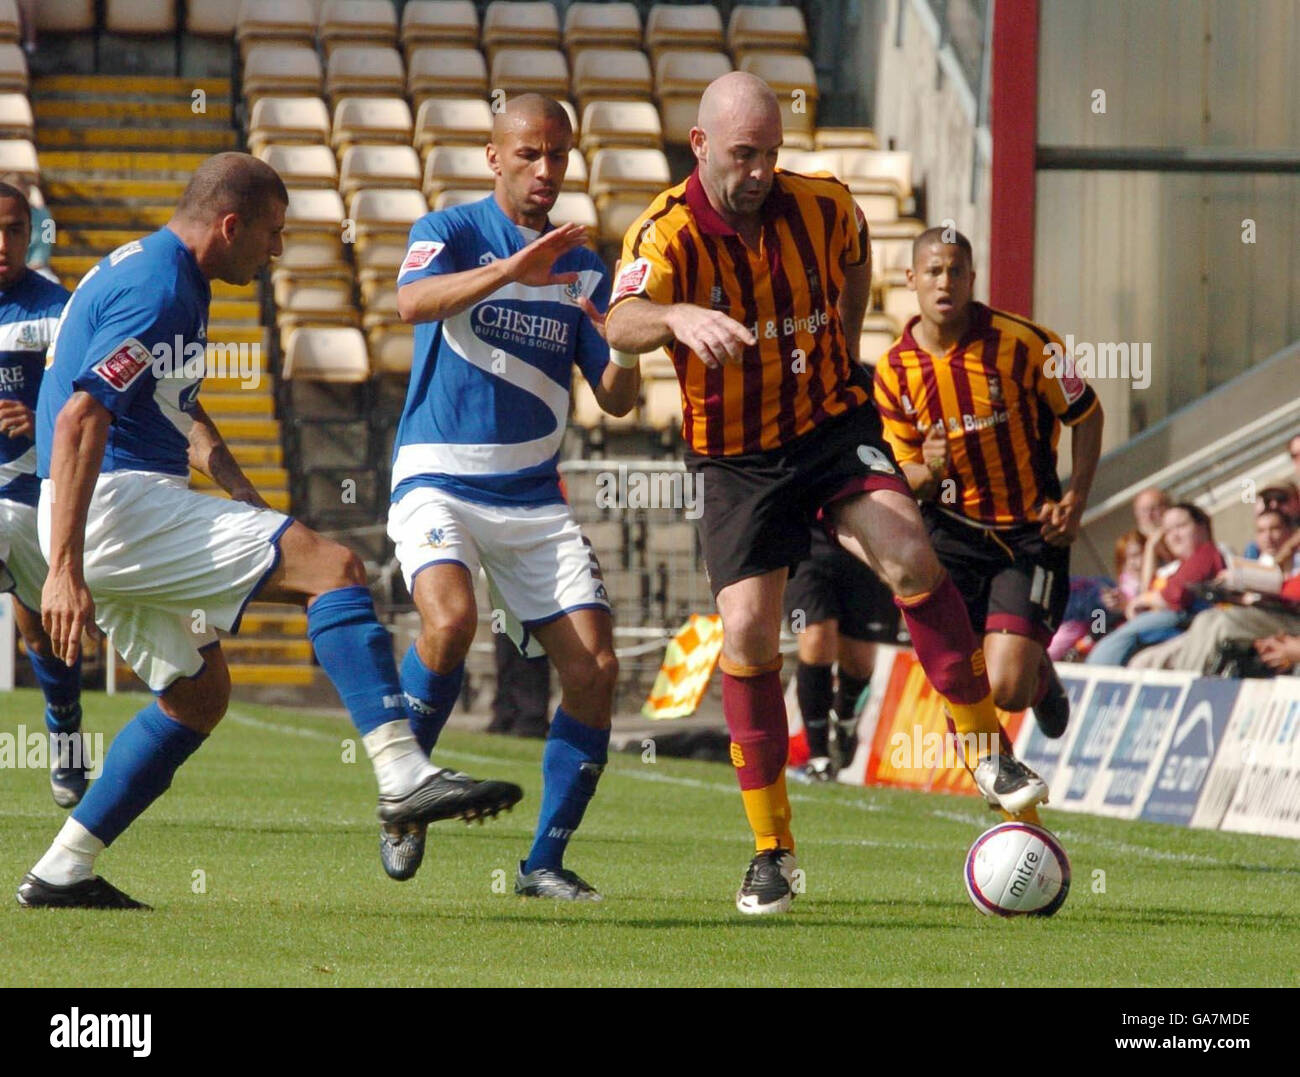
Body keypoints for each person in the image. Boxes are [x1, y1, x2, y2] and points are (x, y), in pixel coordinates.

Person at [17, 153, 521, 910]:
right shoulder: (156, 288)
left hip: (109, 510)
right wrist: (62, 567)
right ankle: (401, 774)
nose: (277, 251)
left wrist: (239, 489)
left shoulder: (167, 274)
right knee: (335, 567)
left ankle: (62, 867)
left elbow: (166, 403)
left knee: (199, 696)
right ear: (230, 225)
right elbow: (79, 416)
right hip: (115, 507)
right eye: (272, 234)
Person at [605, 71, 1048, 916]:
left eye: (772, 152)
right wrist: (676, 319)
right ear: (700, 147)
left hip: (828, 429)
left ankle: (988, 752)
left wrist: (843, 351)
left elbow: (854, 259)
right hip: (735, 458)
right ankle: (772, 848)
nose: (761, 170)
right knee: (745, 631)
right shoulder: (662, 234)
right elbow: (619, 321)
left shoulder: (824, 205)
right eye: (744, 153)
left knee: (913, 555)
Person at [390, 94, 639, 901]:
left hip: (532, 496)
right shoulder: (448, 229)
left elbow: (614, 395)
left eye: (558, 155)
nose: (545, 170)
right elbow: (412, 304)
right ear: (494, 157)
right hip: (436, 474)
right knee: (452, 620)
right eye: (529, 154)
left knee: (596, 669)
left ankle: (544, 862)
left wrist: (639, 345)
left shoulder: (588, 265)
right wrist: (512, 269)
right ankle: (406, 797)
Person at [873, 227, 1104, 738]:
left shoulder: (1027, 344)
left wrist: (1076, 498)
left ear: (973, 277)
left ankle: (1039, 681)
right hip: (951, 534)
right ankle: (993, 775)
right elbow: (902, 478)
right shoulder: (893, 370)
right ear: (911, 278)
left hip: (1027, 534)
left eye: (957, 270)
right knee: (960, 674)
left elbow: (1086, 414)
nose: (945, 281)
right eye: (933, 270)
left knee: (1008, 687)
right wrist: (928, 470)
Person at [0, 180, 87, 807]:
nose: (1, 243)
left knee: (40, 635)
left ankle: (65, 736)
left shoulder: (59, 311)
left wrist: (42, 412)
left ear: (30, 234)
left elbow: (88, 404)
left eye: (11, 230)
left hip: (32, 494)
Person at [784, 527, 897, 779]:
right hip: (806, 545)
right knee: (815, 639)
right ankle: (819, 756)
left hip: (864, 545)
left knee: (859, 663)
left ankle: (844, 719)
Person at [1086, 503, 1226, 667]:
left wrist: (1140, 601)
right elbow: (1150, 595)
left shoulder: (1205, 554)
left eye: (1181, 526)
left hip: (1188, 628)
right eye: (1167, 532)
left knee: (1119, 652)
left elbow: (1177, 595)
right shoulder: (1180, 566)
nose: (1174, 536)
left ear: (1202, 527)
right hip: (1167, 630)